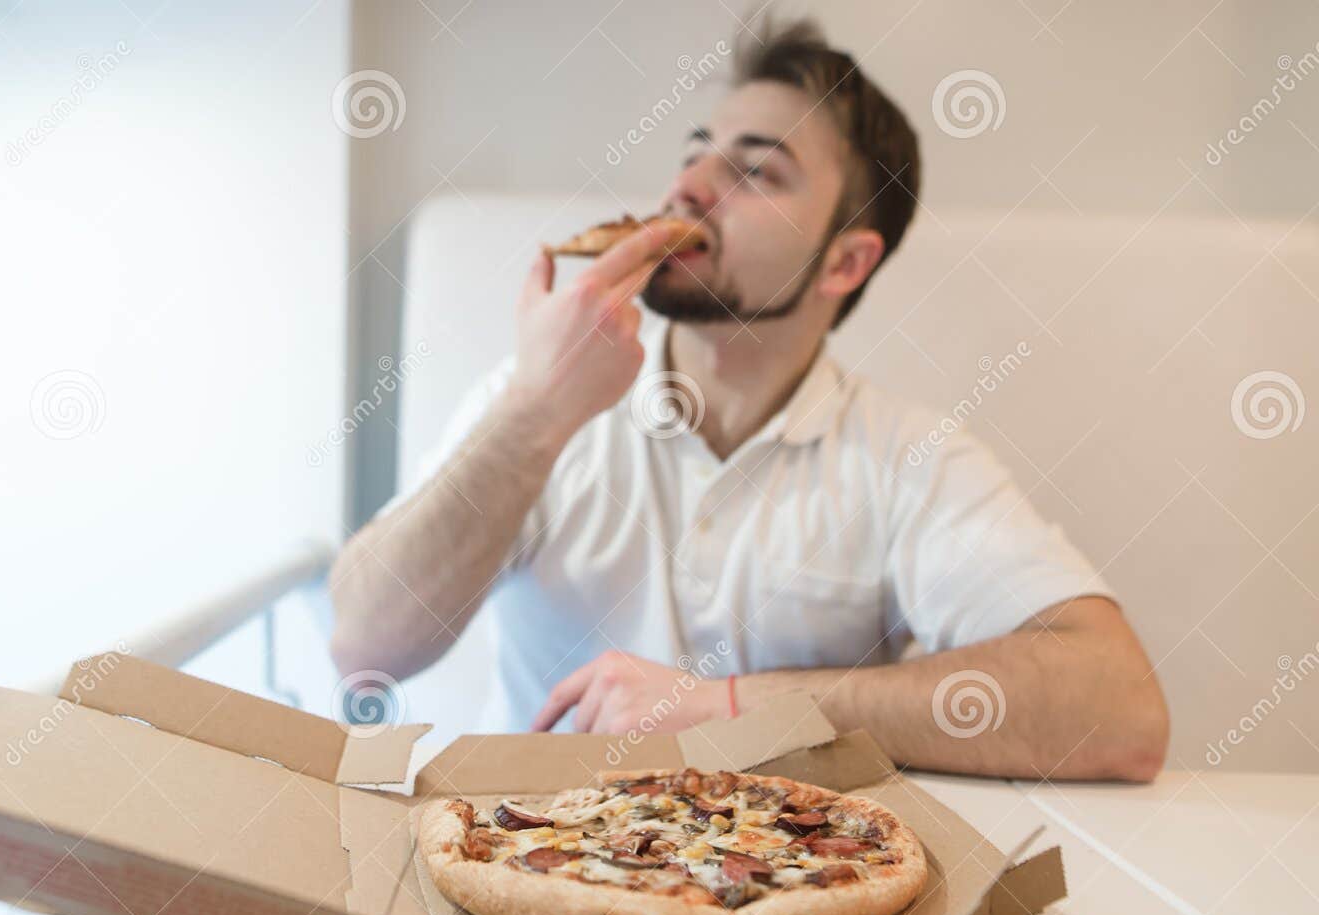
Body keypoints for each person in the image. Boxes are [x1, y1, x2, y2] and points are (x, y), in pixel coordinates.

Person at [328, 20, 1168, 781]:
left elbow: (1120, 709)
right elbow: (365, 645)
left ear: (844, 263)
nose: (690, 186)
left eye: (756, 171)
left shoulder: (907, 458)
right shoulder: (541, 400)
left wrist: (731, 707)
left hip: (785, 874)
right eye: (697, 153)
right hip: (515, 850)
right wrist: (535, 410)